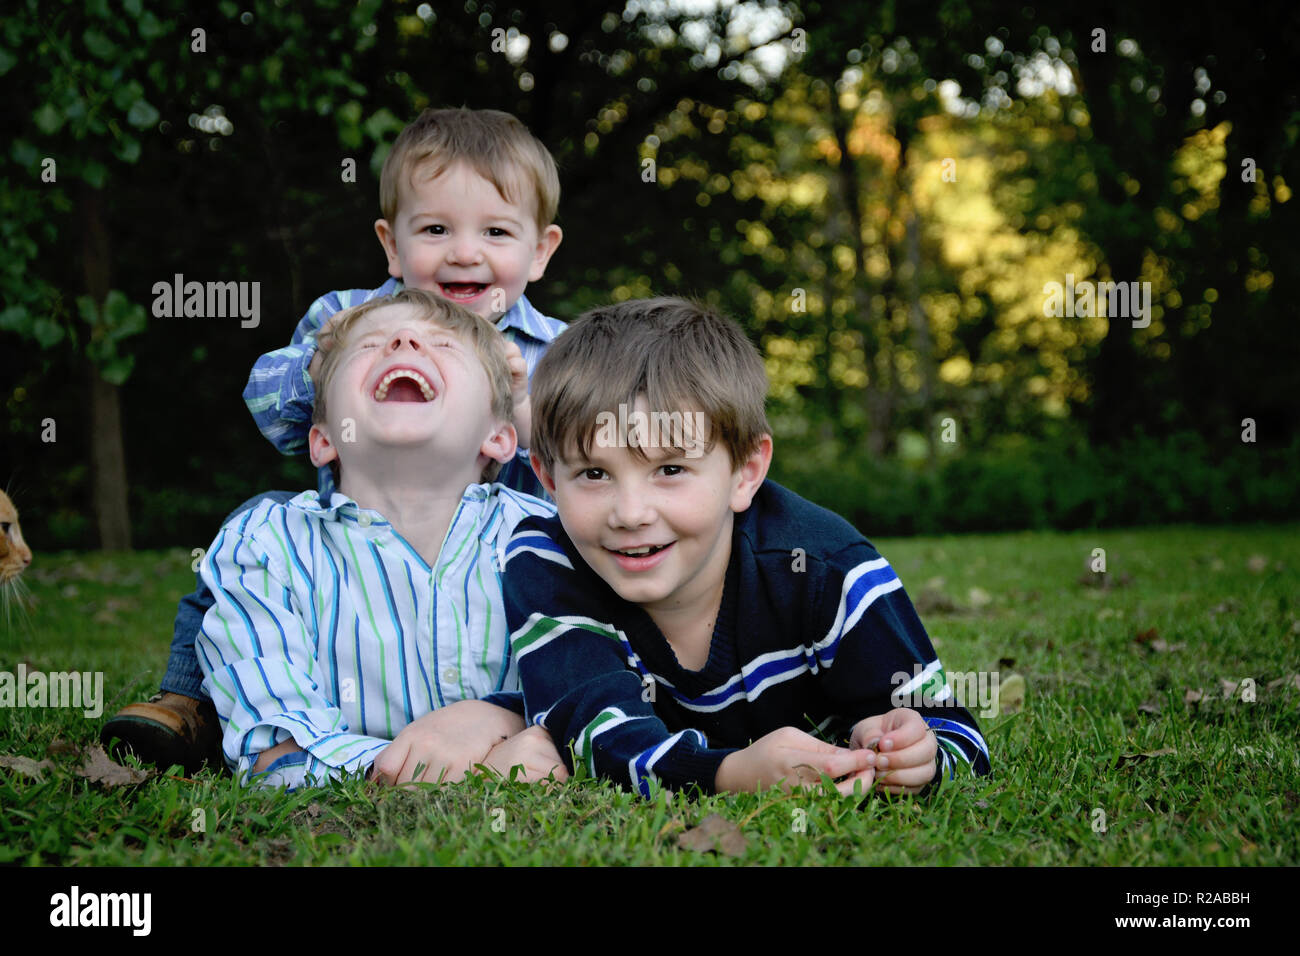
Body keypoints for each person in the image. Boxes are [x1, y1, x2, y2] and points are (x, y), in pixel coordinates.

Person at [102, 108, 565, 772]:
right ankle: (186, 697)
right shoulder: (349, 319)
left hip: (496, 558)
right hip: (354, 554)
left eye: (495, 231)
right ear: (391, 243)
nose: (465, 252)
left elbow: (587, 460)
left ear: (540, 250)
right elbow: (267, 406)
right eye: (435, 229)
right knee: (244, 535)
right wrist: (323, 365)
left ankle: (504, 712)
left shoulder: (558, 349)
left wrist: (523, 405)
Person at [503, 298, 992, 797]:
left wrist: (914, 755)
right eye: (593, 473)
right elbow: (596, 735)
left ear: (746, 471)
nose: (630, 513)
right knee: (482, 724)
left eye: (670, 469)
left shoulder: (826, 567)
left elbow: (958, 736)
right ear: (548, 477)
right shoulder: (546, 560)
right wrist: (728, 775)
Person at [197, 289, 567, 788]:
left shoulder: (551, 538)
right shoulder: (264, 549)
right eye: (369, 346)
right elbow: (274, 751)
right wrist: (449, 768)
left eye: (445, 345)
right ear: (323, 438)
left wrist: (504, 719)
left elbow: (607, 698)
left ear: (500, 437)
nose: (404, 340)